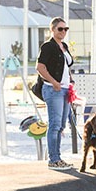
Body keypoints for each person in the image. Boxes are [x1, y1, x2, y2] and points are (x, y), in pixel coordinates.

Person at [36, 17, 74, 170]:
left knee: (61, 125)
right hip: (53, 90)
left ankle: (58, 158)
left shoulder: (64, 46)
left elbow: (66, 67)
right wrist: (54, 82)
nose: (63, 31)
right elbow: (40, 67)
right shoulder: (48, 46)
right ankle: (53, 159)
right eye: (60, 29)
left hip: (65, 89)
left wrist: (70, 81)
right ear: (52, 29)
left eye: (66, 29)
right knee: (55, 124)